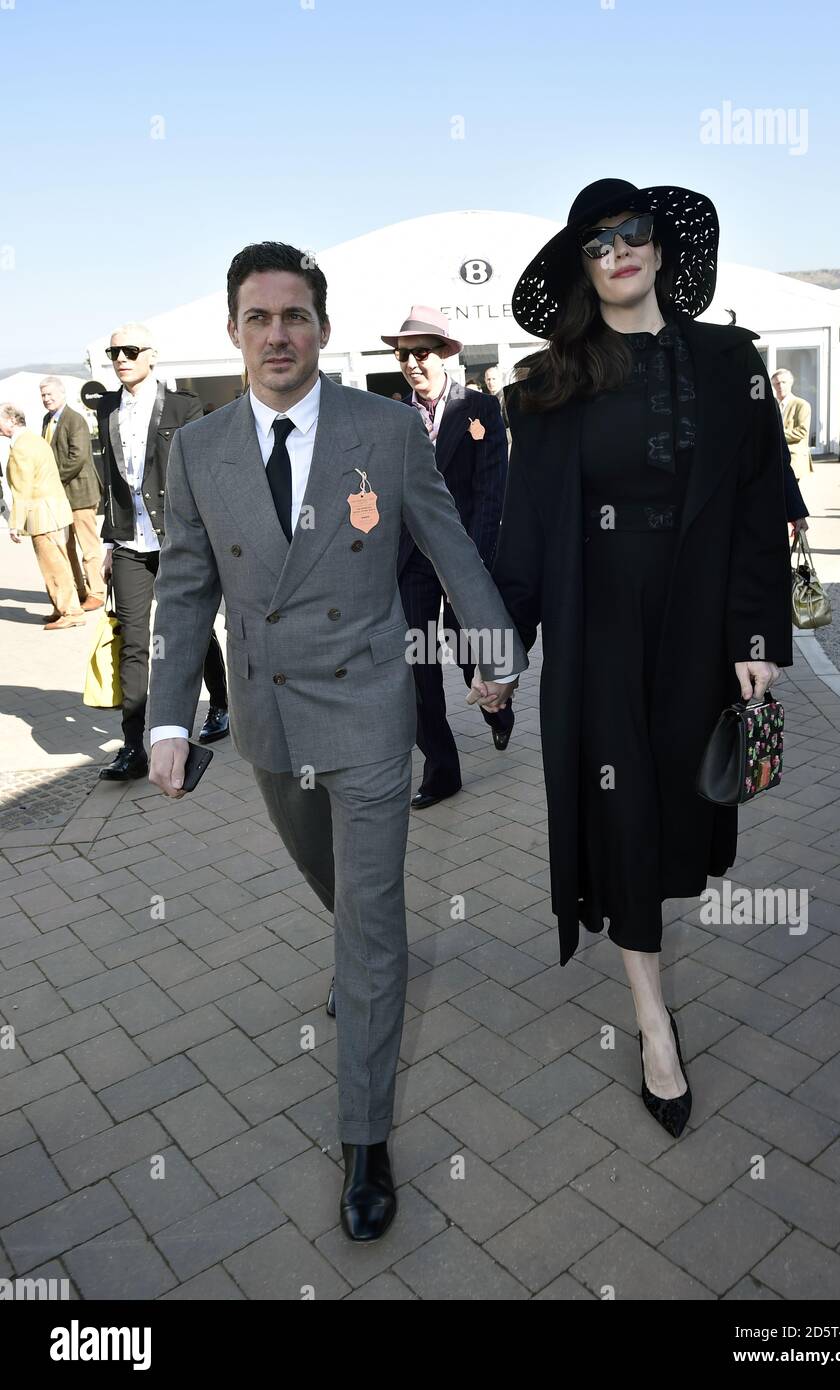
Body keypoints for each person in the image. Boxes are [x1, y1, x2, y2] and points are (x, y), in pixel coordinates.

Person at [146, 242, 527, 1240]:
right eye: (259, 317)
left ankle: (364, 1138)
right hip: (272, 725)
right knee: (339, 890)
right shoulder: (199, 450)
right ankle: (367, 955)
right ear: (235, 330)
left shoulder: (387, 430)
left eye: (296, 316)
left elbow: (453, 547)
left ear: (321, 327)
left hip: (367, 713)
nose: (279, 333)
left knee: (367, 920)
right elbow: (186, 588)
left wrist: (491, 655)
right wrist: (173, 717)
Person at [481, 178, 793, 1139]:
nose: (617, 250)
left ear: (659, 250)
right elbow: (523, 534)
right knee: (619, 818)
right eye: (596, 243)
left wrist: (756, 639)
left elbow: (757, 508)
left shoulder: (726, 360)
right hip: (599, 629)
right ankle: (653, 1023)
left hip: (700, 626)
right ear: (585, 269)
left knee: (681, 813)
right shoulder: (546, 387)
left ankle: (653, 964)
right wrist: (502, 649)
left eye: (632, 234)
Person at [383, 306, 512, 809]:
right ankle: (441, 769)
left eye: (421, 353)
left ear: (444, 354)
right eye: (403, 355)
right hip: (411, 561)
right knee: (418, 665)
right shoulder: (392, 418)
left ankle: (498, 710)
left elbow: (491, 493)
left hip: (463, 558)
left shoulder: (479, 410)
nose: (412, 363)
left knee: (466, 652)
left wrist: (474, 565)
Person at [96, 323, 230, 781]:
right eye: (113, 351)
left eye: (129, 350)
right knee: (135, 642)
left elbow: (204, 476)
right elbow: (111, 480)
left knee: (192, 629)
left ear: (152, 355)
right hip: (131, 542)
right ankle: (135, 744)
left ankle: (221, 704)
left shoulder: (183, 406)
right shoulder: (107, 408)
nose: (120, 358)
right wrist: (109, 541)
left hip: (178, 539)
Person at [0, 403, 85, 629]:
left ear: (10, 420)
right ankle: (62, 607)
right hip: (56, 510)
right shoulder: (35, 440)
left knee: (53, 565)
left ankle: (71, 612)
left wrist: (15, 523)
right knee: (61, 563)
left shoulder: (21, 447)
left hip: (42, 515)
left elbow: (22, 488)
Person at [40, 376, 105, 612]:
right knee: (66, 547)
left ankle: (97, 592)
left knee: (88, 547)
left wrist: (51, 480)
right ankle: (79, 591)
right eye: (43, 395)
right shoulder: (47, 420)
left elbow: (77, 457)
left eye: (50, 394)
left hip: (81, 495)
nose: (46, 399)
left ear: (62, 393)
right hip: (61, 498)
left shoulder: (74, 420)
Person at [772, 368, 813, 473]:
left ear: (790, 383)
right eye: (777, 383)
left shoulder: (801, 404)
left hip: (794, 459)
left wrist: (777, 435)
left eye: (783, 382)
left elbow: (802, 431)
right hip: (775, 459)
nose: (780, 386)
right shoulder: (772, 405)